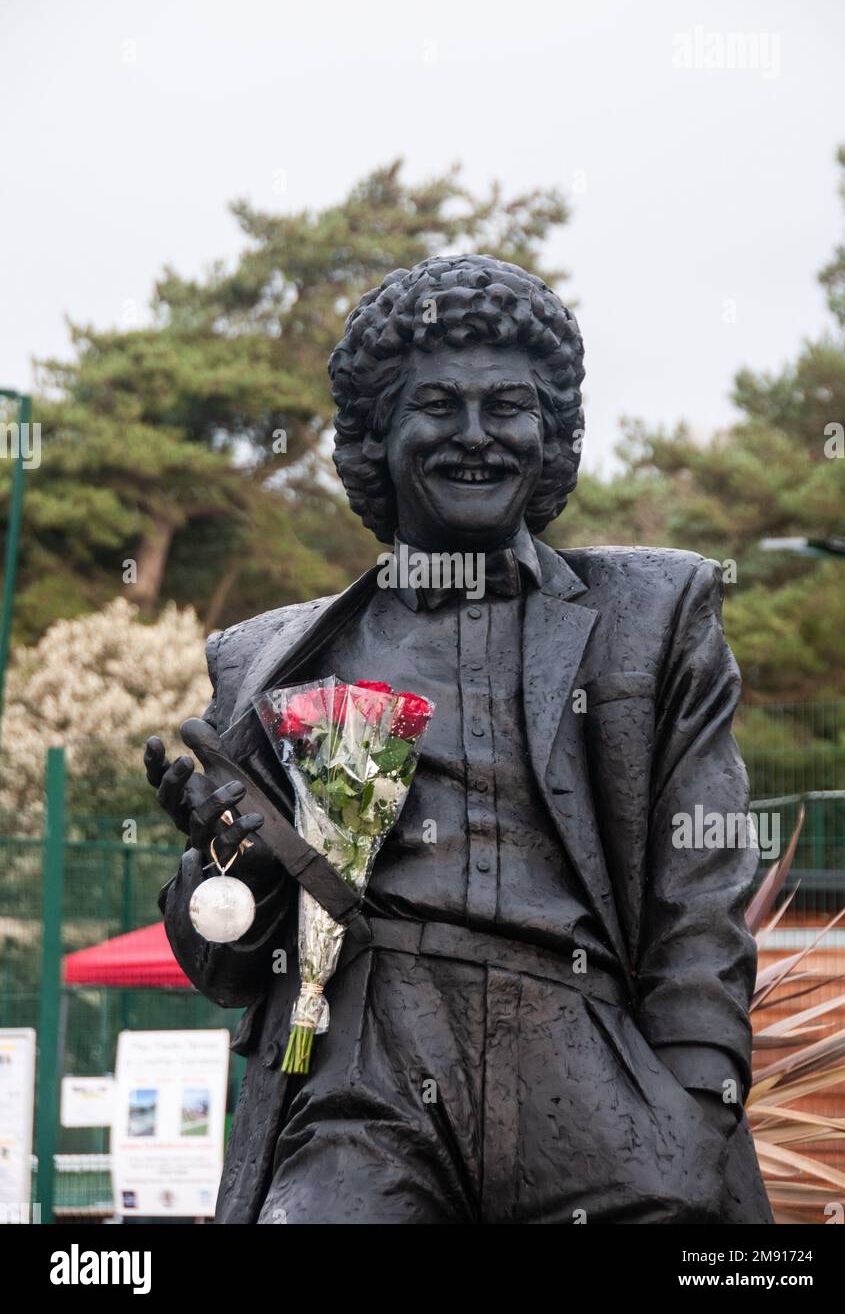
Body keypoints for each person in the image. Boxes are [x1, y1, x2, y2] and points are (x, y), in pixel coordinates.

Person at [147, 255, 773, 1224]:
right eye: (438, 407)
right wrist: (229, 862)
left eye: (508, 407)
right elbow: (228, 971)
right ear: (377, 436)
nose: (476, 436)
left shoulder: (654, 612)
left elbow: (698, 887)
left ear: (551, 431)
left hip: (592, 1063)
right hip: (364, 1076)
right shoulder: (270, 656)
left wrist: (698, 1099)